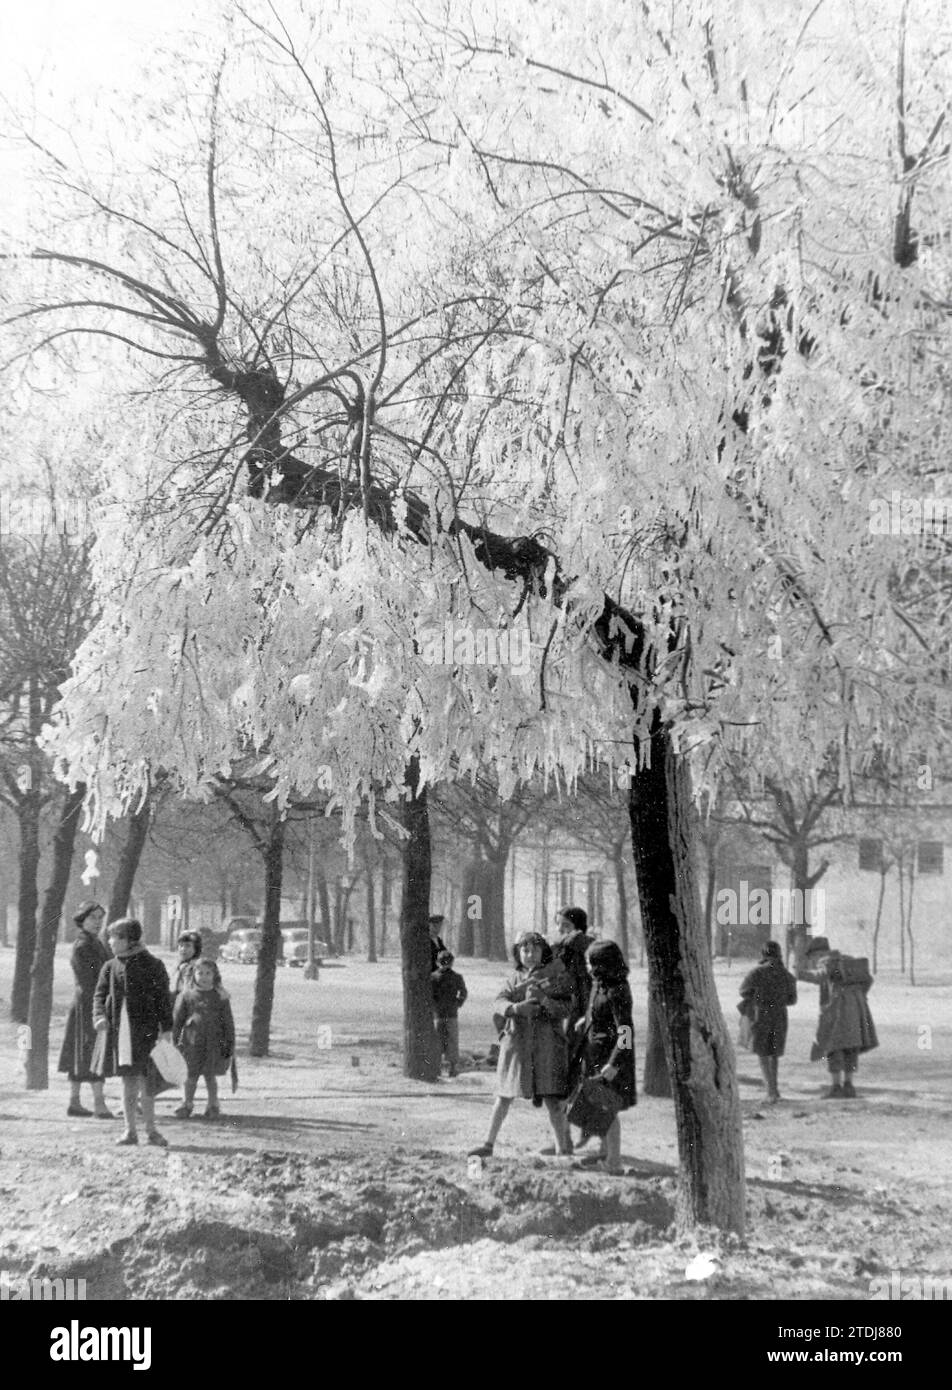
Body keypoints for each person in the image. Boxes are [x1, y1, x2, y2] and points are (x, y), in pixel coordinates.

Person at [468, 931, 573, 1159]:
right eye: (525, 950)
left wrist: (544, 1000)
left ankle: (562, 1151)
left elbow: (566, 1008)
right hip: (518, 1046)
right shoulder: (513, 980)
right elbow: (498, 1002)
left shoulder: (556, 977)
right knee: (503, 1096)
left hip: (547, 1047)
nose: (530, 954)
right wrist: (516, 1009)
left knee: (553, 1101)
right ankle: (488, 1144)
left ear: (544, 951)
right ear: (518, 953)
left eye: (535, 949)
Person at [91, 917, 174, 1147]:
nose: (109, 941)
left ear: (129, 940)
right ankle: (129, 1131)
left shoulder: (153, 965)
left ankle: (151, 1130)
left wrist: (166, 1029)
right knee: (128, 1082)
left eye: (114, 937)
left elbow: (163, 1001)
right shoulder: (110, 966)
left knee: (148, 1084)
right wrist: (99, 1017)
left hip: (146, 1034)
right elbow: (99, 995)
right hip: (121, 1034)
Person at [571, 939, 636, 1175]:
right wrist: (585, 1021)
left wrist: (615, 1063)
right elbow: (594, 1010)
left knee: (608, 1109)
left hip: (610, 1057)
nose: (588, 967)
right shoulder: (599, 983)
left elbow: (626, 1030)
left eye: (591, 963)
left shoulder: (618, 989)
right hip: (595, 1053)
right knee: (599, 1106)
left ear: (603, 964)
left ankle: (614, 1163)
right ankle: (605, 1152)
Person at [797, 935, 879, 1098]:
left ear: (819, 953)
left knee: (833, 1046)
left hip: (837, 1010)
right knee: (851, 1048)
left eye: (813, 957)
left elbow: (819, 976)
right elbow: (868, 979)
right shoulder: (848, 960)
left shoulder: (827, 961)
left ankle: (836, 1087)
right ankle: (849, 1086)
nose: (813, 961)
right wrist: (859, 996)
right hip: (857, 1010)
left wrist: (799, 974)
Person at [57, 902, 114, 1119]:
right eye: (93, 918)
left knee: (82, 1052)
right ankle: (98, 1104)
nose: (97, 922)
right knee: (92, 1052)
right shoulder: (83, 946)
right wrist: (102, 1004)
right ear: (82, 919)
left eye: (100, 918)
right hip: (88, 1004)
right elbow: (91, 980)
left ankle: (75, 1102)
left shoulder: (96, 943)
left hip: (89, 1002)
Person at [172, 958, 237, 1119]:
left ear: (215, 975)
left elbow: (228, 1022)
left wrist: (229, 1043)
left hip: (213, 1043)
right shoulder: (187, 995)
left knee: (210, 1075)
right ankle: (186, 1103)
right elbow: (178, 1020)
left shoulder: (220, 996)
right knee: (190, 1075)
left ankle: (213, 1104)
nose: (204, 976)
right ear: (193, 975)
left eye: (208, 973)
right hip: (191, 1043)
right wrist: (175, 1041)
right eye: (200, 973)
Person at [738, 940, 797, 1103]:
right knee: (774, 1053)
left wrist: (758, 996)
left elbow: (743, 991)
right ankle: (774, 1089)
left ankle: (769, 1091)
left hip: (761, 1015)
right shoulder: (787, 975)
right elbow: (793, 1000)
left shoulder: (756, 973)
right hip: (779, 1016)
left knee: (762, 1052)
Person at [552, 906, 594, 1032]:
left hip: (584, 1000)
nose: (559, 929)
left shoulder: (586, 945)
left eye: (566, 925)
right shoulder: (556, 948)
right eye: (558, 924)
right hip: (562, 1001)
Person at [431, 949, 468, 1077]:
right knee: (452, 1040)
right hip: (452, 1014)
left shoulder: (433, 977)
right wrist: (458, 1003)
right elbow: (463, 992)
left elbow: (429, 995)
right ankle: (452, 1067)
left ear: (437, 962)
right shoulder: (457, 977)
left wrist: (433, 1005)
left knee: (437, 1040)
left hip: (438, 1014)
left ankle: (436, 1067)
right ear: (452, 963)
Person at [171, 931, 222, 1002]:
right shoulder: (179, 966)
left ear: (196, 948)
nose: (183, 949)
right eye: (181, 945)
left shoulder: (202, 966)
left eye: (188, 946)